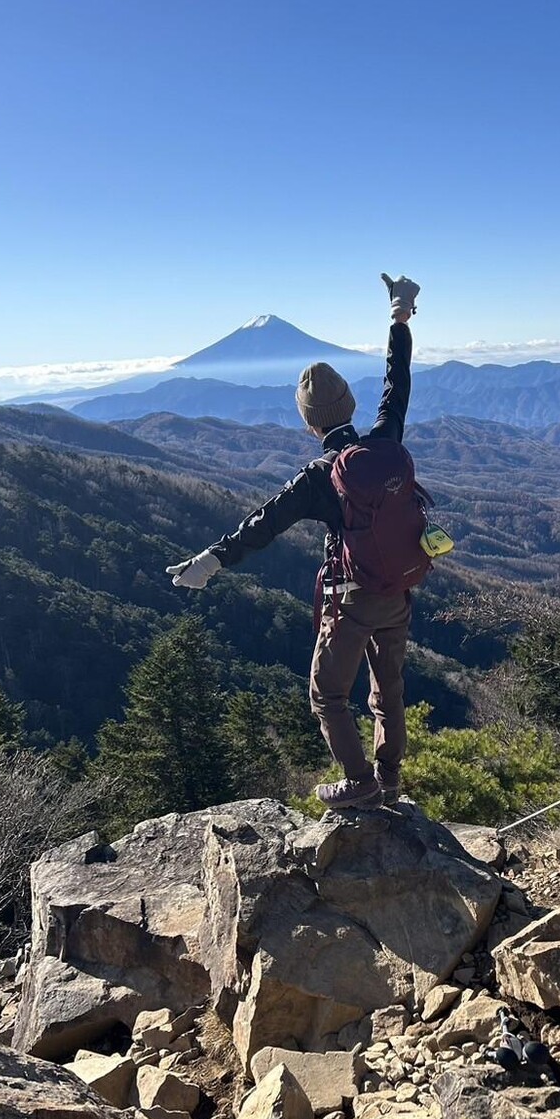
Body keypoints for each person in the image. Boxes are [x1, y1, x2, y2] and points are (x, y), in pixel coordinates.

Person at [167, 273, 422, 811]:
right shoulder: (383, 439)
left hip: (352, 599)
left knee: (327, 695)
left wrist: (210, 561)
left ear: (309, 422)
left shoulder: (317, 477)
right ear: (350, 405)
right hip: (398, 591)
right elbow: (397, 383)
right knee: (388, 692)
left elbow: (262, 523)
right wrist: (399, 315)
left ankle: (360, 783)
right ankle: (390, 779)